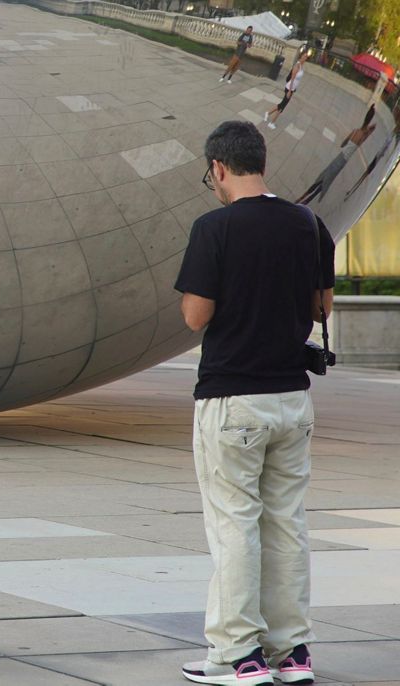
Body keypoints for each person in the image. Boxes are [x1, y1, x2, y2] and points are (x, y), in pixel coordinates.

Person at [175, 121, 335, 686]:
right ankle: (291, 653)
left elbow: (195, 316)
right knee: (287, 523)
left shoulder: (213, 227)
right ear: (260, 162)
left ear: (219, 167)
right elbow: (323, 303)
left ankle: (236, 654)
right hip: (293, 396)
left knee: (235, 525)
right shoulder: (308, 224)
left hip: (233, 396)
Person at [295, 122, 376, 204]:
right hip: (342, 161)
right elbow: (365, 136)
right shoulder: (362, 138)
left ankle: (303, 196)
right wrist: (368, 133)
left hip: (339, 157)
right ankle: (306, 201)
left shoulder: (355, 131)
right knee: (327, 181)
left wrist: (349, 142)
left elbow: (342, 144)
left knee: (322, 177)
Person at [264, 51, 310, 129]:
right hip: (289, 88)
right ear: (301, 56)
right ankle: (271, 122)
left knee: (282, 104)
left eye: (306, 57)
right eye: (304, 56)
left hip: (293, 89)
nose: (305, 58)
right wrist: (289, 91)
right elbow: (292, 78)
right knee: (282, 106)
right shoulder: (297, 65)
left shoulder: (302, 66)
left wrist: (293, 89)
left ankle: (268, 113)